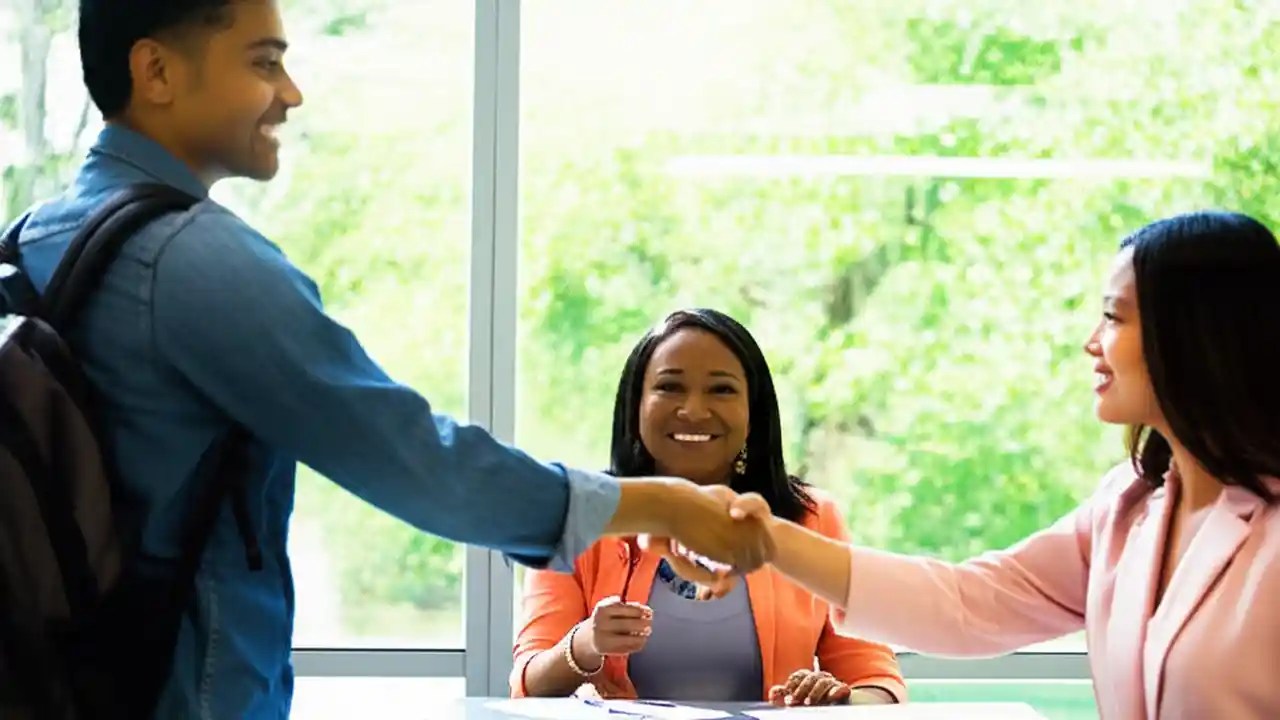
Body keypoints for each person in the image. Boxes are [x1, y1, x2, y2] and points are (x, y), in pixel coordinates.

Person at [1, 2, 772, 717]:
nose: (292, 93)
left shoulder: (35, 238)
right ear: (157, 71)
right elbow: (417, 462)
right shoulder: (192, 260)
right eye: (264, 63)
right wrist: (663, 503)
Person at [704, 212, 1280, 719]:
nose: (1091, 343)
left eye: (1113, 317)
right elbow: (968, 603)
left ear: (1193, 334)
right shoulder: (1126, 508)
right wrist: (770, 540)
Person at [512, 309, 904, 706]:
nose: (694, 410)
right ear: (635, 407)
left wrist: (837, 702)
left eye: (721, 390)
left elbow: (879, 682)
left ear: (754, 413)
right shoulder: (581, 516)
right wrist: (584, 644)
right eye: (669, 387)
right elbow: (527, 685)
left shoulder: (812, 519)